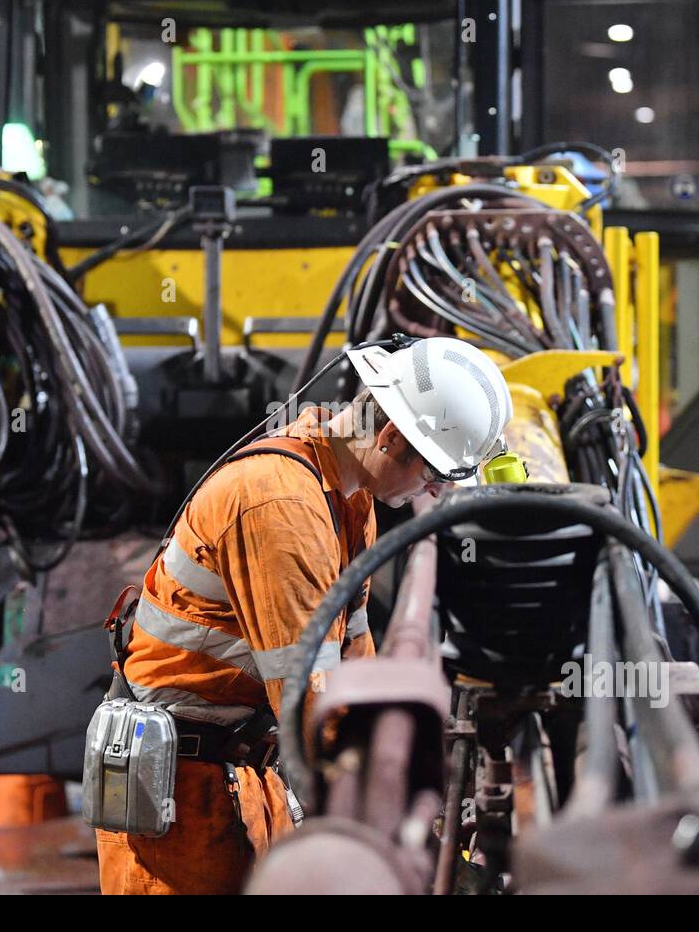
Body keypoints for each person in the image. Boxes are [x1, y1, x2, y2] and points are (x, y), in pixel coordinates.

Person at [96, 336, 513, 894]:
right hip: (179, 800)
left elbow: (352, 659)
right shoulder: (282, 509)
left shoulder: (347, 493)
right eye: (434, 473)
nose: (432, 491)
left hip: (235, 775)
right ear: (389, 435)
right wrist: (406, 818)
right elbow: (310, 702)